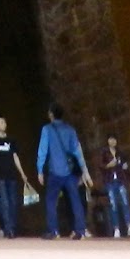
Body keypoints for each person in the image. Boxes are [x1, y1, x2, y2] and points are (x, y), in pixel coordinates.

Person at [36, 103, 93, 240]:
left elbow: (43, 150)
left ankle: (54, 231)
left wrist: (40, 170)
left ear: (51, 114)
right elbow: (77, 152)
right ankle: (80, 229)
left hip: (55, 171)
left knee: (51, 200)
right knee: (75, 200)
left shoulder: (47, 129)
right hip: (69, 172)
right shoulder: (70, 130)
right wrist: (84, 171)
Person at [0, 115, 32, 238]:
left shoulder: (12, 140)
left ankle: (11, 227)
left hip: (12, 175)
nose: (4, 124)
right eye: (1, 122)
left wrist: (22, 173)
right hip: (0, 176)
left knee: (13, 202)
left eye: (5, 122)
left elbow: (15, 157)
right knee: (5, 203)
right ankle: (8, 229)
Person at [100, 135, 130, 237]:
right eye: (111, 139)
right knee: (113, 205)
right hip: (110, 181)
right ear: (108, 141)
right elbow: (100, 166)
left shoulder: (120, 153)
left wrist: (129, 179)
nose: (113, 141)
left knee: (125, 203)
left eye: (114, 139)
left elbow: (125, 166)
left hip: (120, 180)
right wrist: (108, 165)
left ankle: (129, 226)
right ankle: (116, 229)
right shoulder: (104, 152)